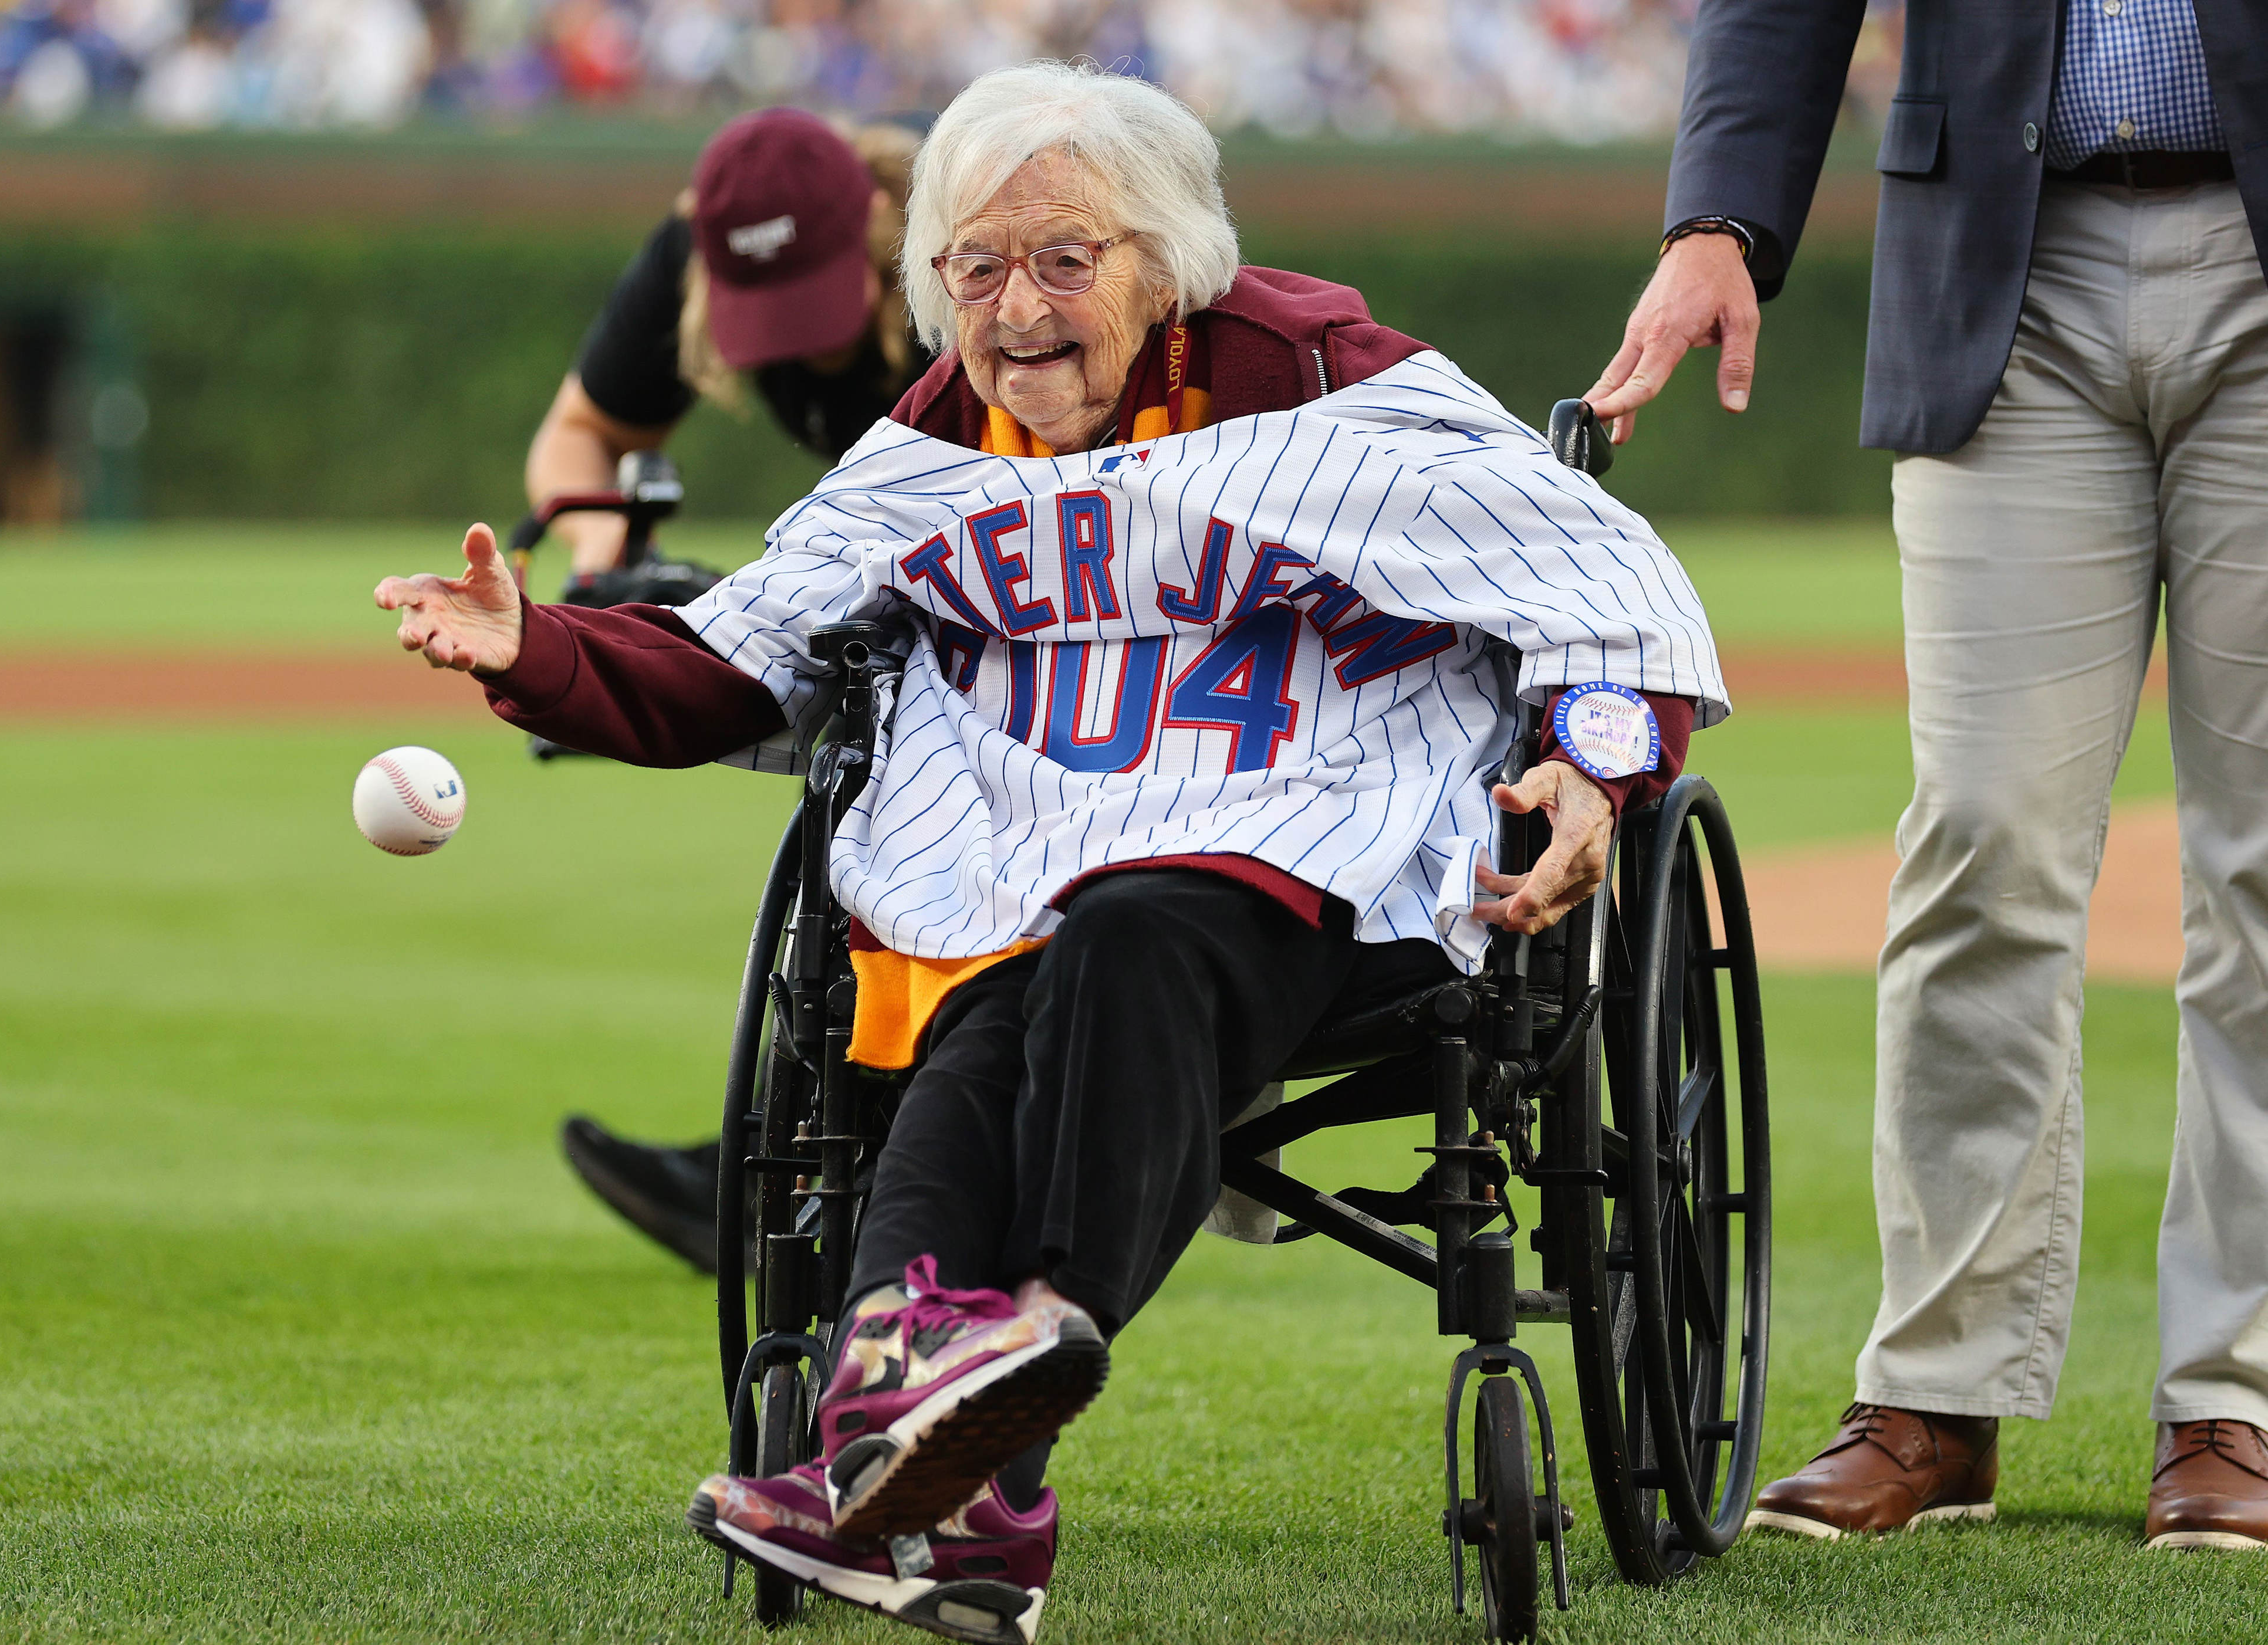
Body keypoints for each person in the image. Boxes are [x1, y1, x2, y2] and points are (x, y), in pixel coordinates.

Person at [383, 63, 1725, 1642]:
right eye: (972, 268)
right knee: (972, 1014)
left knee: (1124, 932)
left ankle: (1028, 1353)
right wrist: (532, 648)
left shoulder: (1320, 375)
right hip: (1053, 862)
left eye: (1060, 259)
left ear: (1162, 262)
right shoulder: (930, 444)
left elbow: (1586, 578)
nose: (1014, 308)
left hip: (1312, 843)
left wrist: (1592, 770)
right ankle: (929, 1458)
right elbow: (741, 661)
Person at [1587, 0, 2268, 1552]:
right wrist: (1714, 221)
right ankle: (1934, 1393)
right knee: (1977, 835)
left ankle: (2232, 1398)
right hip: (1995, 262)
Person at [530, 105, 934, 1273]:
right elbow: (582, 432)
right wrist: (606, 570)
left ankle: (809, 1159)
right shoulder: (692, 252)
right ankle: (789, 1157)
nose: (795, 343)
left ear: (871, 228)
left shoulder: (957, 264)